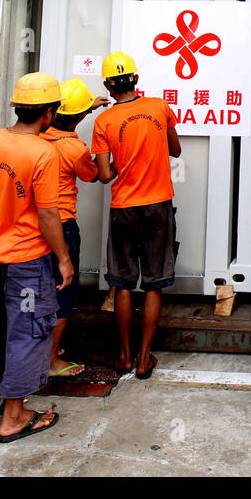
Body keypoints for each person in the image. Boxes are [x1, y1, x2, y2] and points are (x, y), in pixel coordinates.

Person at [0, 72, 74, 443]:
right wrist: (63, 258)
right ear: (50, 113)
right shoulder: (44, 152)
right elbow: (47, 214)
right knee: (27, 332)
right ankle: (14, 415)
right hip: (26, 261)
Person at [91, 52, 182, 379]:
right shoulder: (159, 107)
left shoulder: (104, 122)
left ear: (107, 85)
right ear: (136, 80)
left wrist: (121, 162)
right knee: (154, 285)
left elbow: (103, 175)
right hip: (158, 205)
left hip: (124, 209)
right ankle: (145, 359)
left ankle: (124, 356)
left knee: (124, 284)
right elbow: (176, 149)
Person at [41, 78, 111, 377]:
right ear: (81, 117)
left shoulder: (36, 137)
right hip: (63, 226)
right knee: (63, 293)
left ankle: (37, 350)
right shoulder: (74, 148)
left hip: (33, 226)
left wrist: (87, 107)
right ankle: (51, 361)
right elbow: (95, 175)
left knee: (38, 287)